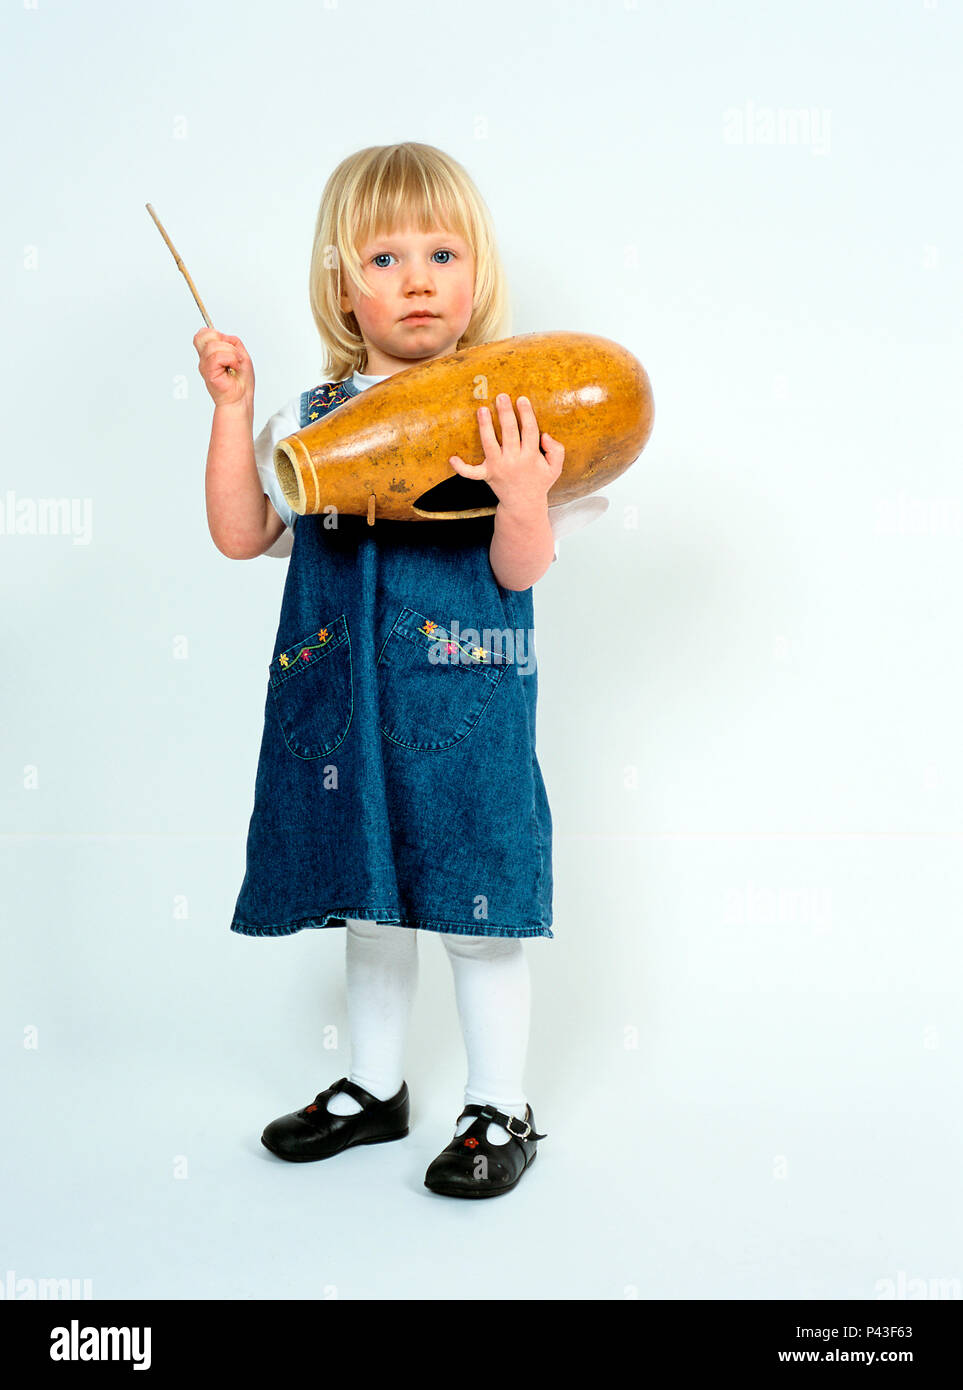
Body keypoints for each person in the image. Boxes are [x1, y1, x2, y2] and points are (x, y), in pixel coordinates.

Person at [195, 142, 608, 1199]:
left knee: (477, 917)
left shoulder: (512, 413)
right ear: (343, 286)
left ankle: (498, 1104)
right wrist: (234, 412)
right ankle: (374, 1088)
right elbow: (245, 537)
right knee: (369, 906)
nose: (415, 277)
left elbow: (521, 572)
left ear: (477, 275)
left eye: (439, 251)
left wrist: (521, 492)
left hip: (466, 707)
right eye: (382, 257)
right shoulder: (318, 422)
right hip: (346, 709)